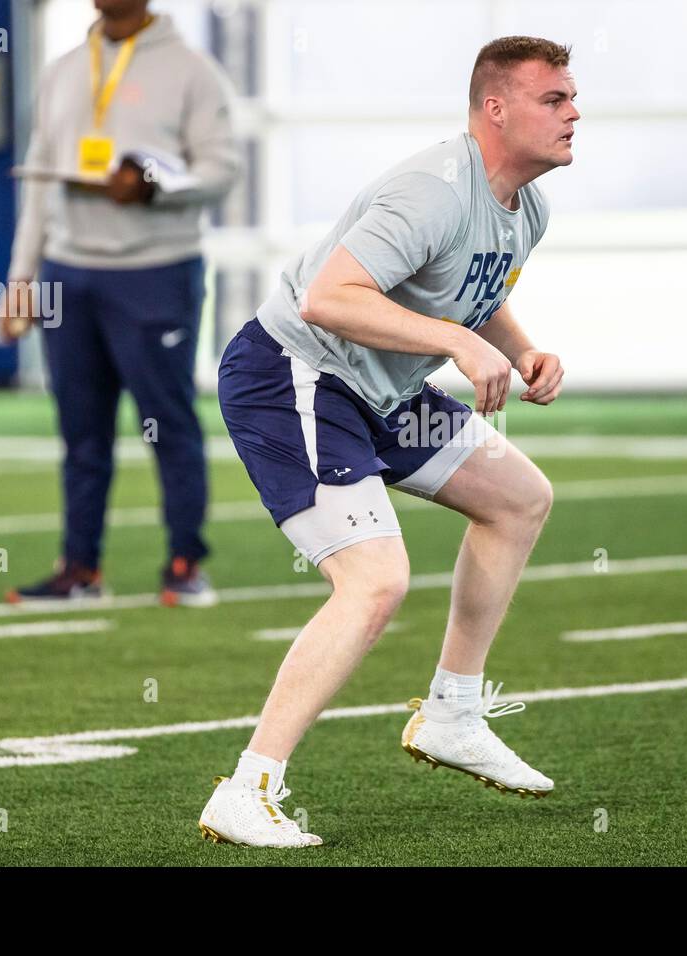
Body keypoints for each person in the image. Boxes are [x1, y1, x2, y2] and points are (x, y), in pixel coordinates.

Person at [199, 36, 577, 848]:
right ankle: (248, 787)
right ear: (496, 109)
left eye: (572, 98)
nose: (574, 113)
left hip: (384, 388)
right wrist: (461, 342)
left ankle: (452, 712)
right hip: (293, 373)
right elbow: (331, 298)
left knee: (519, 499)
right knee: (374, 581)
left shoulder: (529, 208)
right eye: (555, 100)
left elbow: (469, 289)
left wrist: (516, 348)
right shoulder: (434, 190)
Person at [0, 0, 239, 607]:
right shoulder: (64, 68)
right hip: (70, 272)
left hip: (154, 271)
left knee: (169, 423)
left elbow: (222, 170)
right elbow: (40, 180)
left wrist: (151, 185)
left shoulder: (192, 70)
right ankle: (79, 570)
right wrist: (21, 276)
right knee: (81, 432)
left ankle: (185, 564)